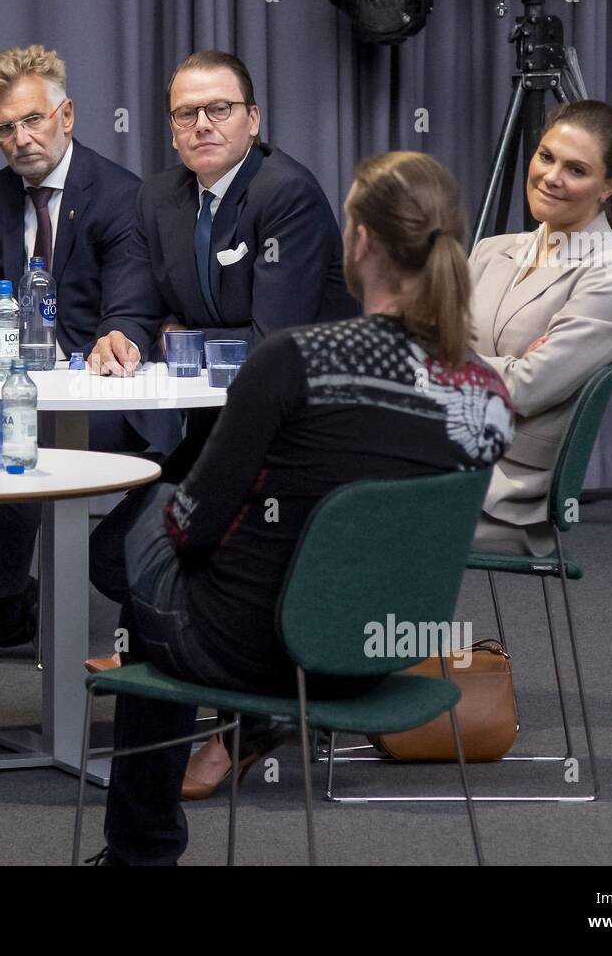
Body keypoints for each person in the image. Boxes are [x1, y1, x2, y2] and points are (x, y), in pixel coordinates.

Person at [92, 151, 514, 865]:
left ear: (358, 243)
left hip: (251, 648)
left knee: (150, 521)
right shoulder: (488, 392)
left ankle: (143, 851)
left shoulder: (292, 361)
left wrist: (174, 513)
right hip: (385, 651)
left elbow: (191, 533)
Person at [0, 45, 161, 647]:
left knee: (13, 438)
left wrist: (112, 343)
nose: (20, 138)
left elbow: (125, 311)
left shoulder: (118, 194)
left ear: (66, 116)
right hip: (7, 388)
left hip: (92, 403)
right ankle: (6, 585)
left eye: (32, 120)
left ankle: (2, 594)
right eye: (4, 127)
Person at [86, 50, 358, 608]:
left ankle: (227, 652)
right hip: (216, 431)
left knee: (132, 555)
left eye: (220, 108)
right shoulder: (158, 197)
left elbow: (271, 348)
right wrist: (122, 336)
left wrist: (181, 337)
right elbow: (132, 307)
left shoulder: (286, 194)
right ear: (172, 130)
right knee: (113, 555)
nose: (203, 124)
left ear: (252, 120)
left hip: (292, 439)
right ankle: (208, 655)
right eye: (187, 114)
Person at [469, 100, 612, 556]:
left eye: (577, 169)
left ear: (609, 186)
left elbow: (525, 390)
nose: (551, 176)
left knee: (336, 521)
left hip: (507, 496)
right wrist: (507, 367)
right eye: (546, 157)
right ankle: (444, 634)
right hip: (442, 456)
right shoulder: (491, 251)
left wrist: (444, 363)